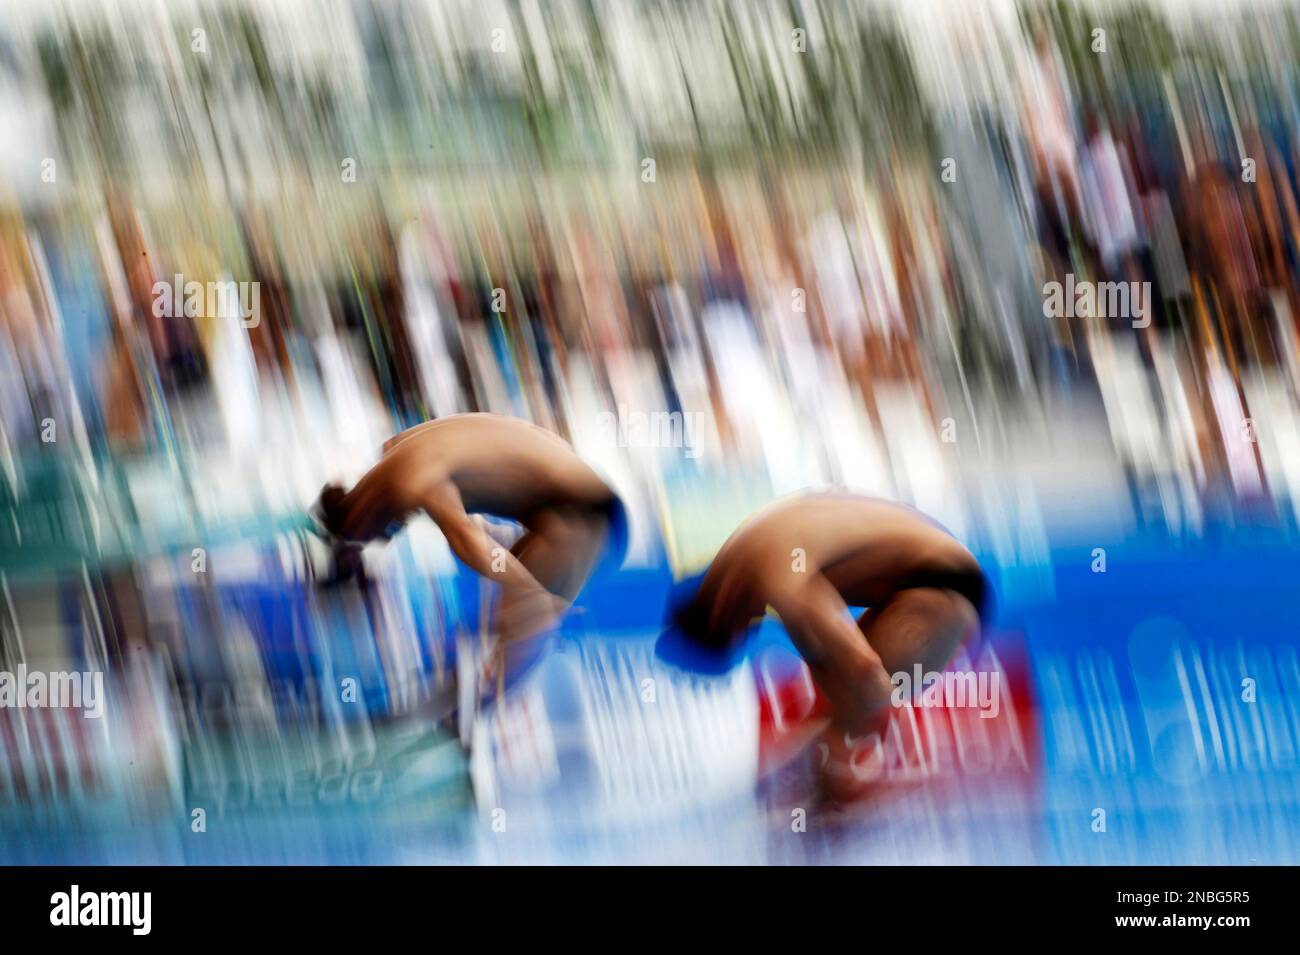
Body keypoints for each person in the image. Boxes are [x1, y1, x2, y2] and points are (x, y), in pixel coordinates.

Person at [665, 491, 989, 798]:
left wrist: (876, 737)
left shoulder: (777, 575)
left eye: (740, 629)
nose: (752, 623)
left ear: (720, 609)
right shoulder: (747, 554)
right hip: (931, 574)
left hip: (945, 592)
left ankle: (891, 797)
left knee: (847, 725)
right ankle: (842, 798)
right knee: (834, 730)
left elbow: (864, 669)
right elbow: (826, 661)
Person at [313, 413, 625, 655]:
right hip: (572, 485)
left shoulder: (411, 482)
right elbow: (479, 470)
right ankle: (466, 710)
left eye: (381, 534)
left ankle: (463, 723)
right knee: (506, 612)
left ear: (359, 516)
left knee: (522, 621)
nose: (389, 535)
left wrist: (533, 593)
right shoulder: (396, 449)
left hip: (582, 515)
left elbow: (470, 543)